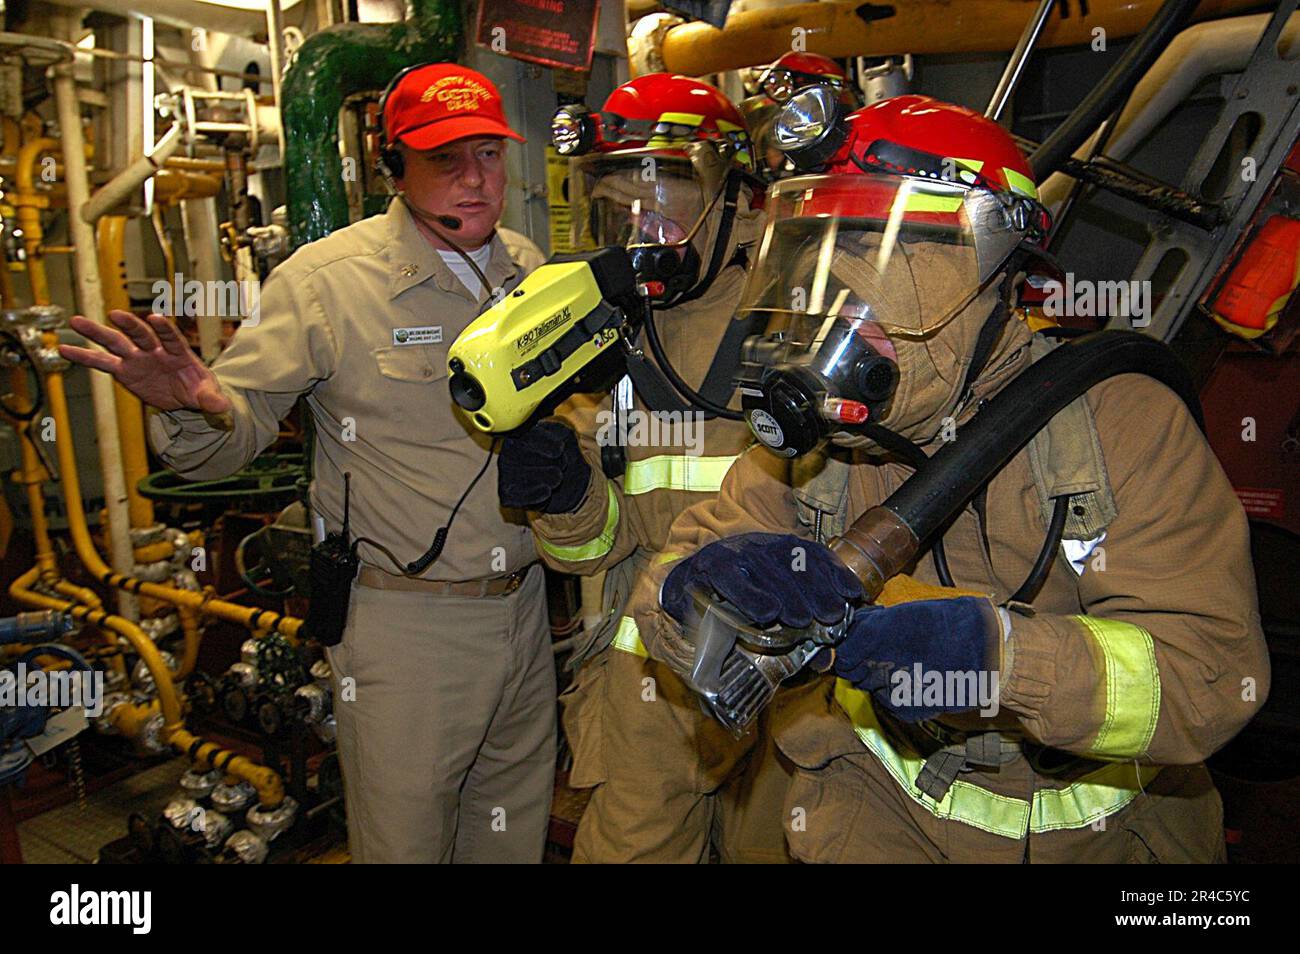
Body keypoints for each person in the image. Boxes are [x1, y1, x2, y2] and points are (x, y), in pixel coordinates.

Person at [627, 95, 1269, 862]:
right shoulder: (821, 446)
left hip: (1098, 837)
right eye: (820, 277)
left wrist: (1000, 659)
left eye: (877, 287)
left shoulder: (1119, 422)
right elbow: (668, 584)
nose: (833, 320)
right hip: (879, 808)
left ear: (990, 282)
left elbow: (1212, 675)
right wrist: (695, 590)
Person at [59, 63, 555, 864]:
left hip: (526, 606)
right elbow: (236, 430)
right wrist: (195, 405)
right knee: (406, 845)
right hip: (407, 629)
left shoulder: (526, 268)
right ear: (392, 165)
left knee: (511, 833)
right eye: (444, 158)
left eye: (490, 156)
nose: (475, 180)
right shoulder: (326, 284)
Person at [498, 73, 791, 862]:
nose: (641, 228)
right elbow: (591, 551)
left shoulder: (806, 319)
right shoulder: (606, 340)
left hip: (794, 675)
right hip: (652, 676)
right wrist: (563, 495)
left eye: (665, 198)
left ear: (740, 195)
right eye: (619, 205)